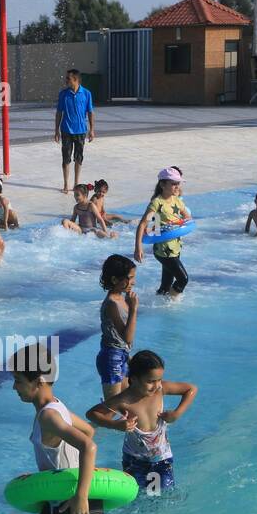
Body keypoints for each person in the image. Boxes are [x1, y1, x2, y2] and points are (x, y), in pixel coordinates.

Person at [12, 342, 103, 514]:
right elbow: (89, 431)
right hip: (57, 501)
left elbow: (88, 445)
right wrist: (44, 477)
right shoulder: (56, 406)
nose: (14, 387)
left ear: (39, 381)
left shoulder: (48, 416)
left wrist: (81, 496)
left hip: (76, 504)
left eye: (18, 381)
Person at [87, 349, 197, 493]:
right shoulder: (123, 400)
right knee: (137, 496)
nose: (157, 385)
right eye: (150, 381)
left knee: (158, 496)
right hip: (134, 460)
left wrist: (176, 414)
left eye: (158, 380)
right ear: (134, 378)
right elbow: (92, 414)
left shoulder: (160, 390)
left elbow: (191, 389)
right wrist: (115, 425)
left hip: (161, 459)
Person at [133, 167, 191, 297]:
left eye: (178, 183)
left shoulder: (176, 200)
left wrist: (176, 224)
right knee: (183, 279)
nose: (177, 186)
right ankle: (171, 304)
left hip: (175, 247)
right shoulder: (157, 203)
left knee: (165, 286)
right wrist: (138, 248)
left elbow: (188, 218)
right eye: (173, 183)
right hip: (163, 250)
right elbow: (143, 224)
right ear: (162, 184)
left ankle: (159, 304)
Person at [96, 254, 137, 400]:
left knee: (127, 402)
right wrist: (133, 309)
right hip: (111, 358)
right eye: (130, 278)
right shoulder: (112, 304)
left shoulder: (121, 299)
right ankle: (88, 423)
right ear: (115, 279)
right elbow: (127, 337)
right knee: (110, 408)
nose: (133, 282)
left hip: (121, 355)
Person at [55, 69, 95, 193]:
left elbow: (90, 112)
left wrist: (92, 130)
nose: (66, 81)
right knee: (65, 158)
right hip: (66, 130)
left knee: (78, 158)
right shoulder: (63, 94)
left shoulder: (86, 93)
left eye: (68, 79)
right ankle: (66, 184)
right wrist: (56, 130)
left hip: (81, 131)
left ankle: (76, 184)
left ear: (76, 80)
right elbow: (59, 112)